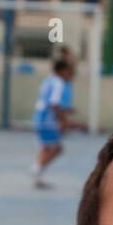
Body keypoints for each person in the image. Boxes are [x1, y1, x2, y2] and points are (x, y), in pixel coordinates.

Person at [31, 56, 80, 189]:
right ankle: (36, 169)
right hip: (48, 121)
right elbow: (54, 104)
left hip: (39, 118)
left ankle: (38, 177)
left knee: (46, 148)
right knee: (57, 149)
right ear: (63, 70)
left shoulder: (48, 80)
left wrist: (67, 111)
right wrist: (62, 121)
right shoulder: (59, 83)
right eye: (69, 70)